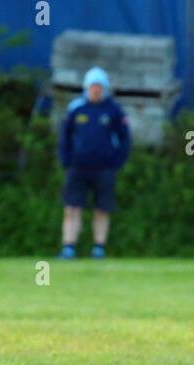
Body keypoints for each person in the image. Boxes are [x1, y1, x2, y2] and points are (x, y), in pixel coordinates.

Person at [59, 66, 131, 259]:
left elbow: (125, 139)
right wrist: (66, 160)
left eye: (99, 86)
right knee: (72, 208)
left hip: (104, 169)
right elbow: (65, 137)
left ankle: (99, 247)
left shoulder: (114, 110)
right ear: (86, 88)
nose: (96, 90)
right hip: (78, 167)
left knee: (102, 209)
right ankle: (69, 247)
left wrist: (116, 162)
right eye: (93, 86)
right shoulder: (76, 109)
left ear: (105, 88)